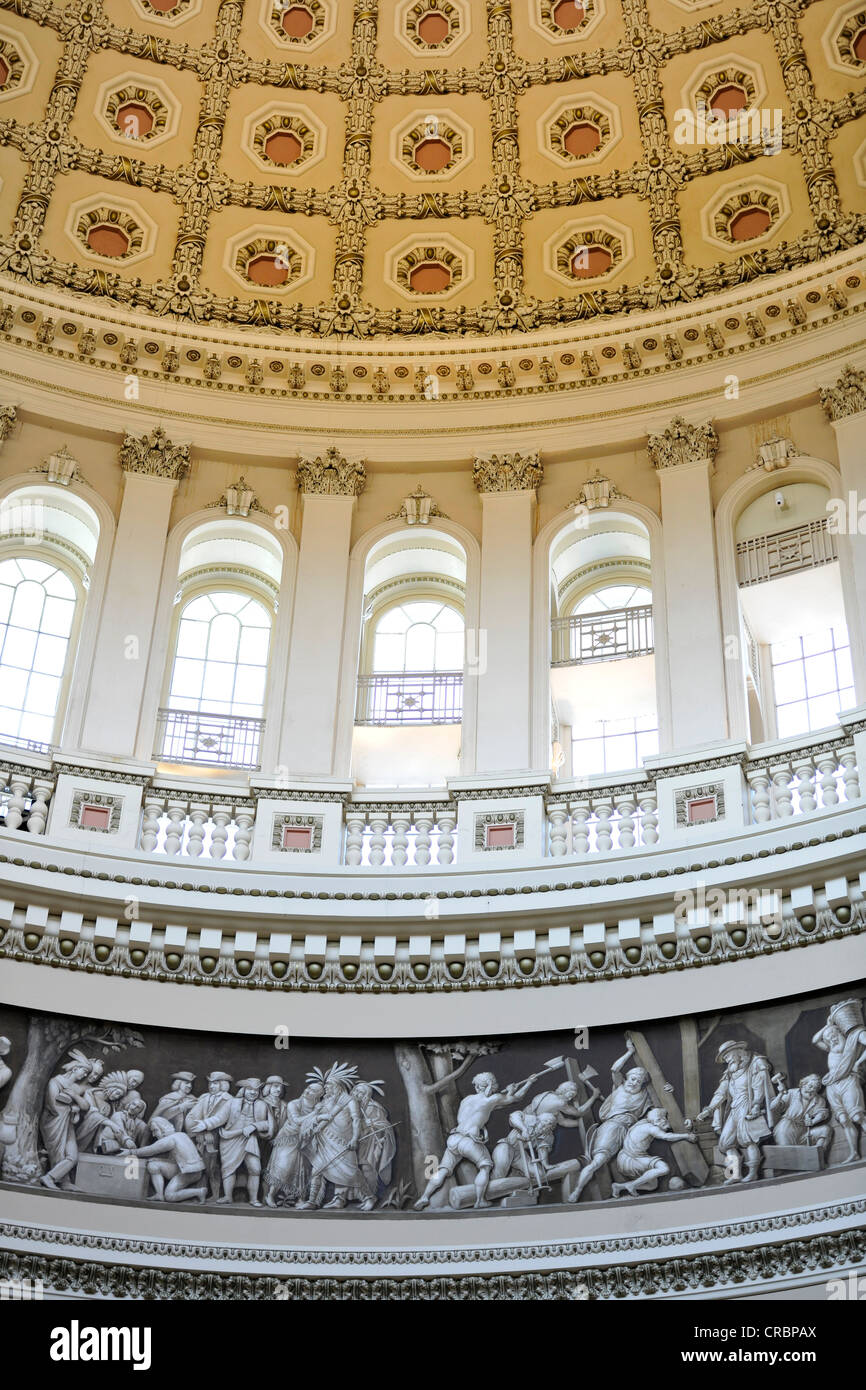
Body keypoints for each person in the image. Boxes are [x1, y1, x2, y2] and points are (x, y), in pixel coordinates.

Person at [415, 1069, 546, 1211]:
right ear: (491, 1085)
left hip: (454, 1139)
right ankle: (479, 1201)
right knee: (485, 1167)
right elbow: (516, 1098)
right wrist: (529, 1083)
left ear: (477, 1087)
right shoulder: (492, 1099)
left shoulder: (467, 1100)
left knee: (443, 1170)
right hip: (469, 1141)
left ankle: (425, 1197)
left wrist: (508, 1093)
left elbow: (487, 1108)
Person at [568, 1042, 651, 1203]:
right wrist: (629, 1052)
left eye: (639, 1081)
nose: (634, 1083)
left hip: (629, 1132)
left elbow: (657, 1109)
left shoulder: (645, 1095)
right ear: (627, 1078)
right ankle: (577, 1191)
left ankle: (628, 1186)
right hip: (612, 1128)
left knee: (630, 1163)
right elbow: (615, 1069)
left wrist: (669, 1089)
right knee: (597, 1162)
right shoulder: (618, 1086)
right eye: (633, 1078)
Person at [696, 1040, 775, 1183]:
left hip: (748, 1105)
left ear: (738, 1051)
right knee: (725, 1143)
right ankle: (735, 1174)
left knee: (748, 1140)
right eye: (725, 1058)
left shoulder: (756, 1063)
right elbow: (721, 1092)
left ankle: (753, 1173)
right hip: (735, 1108)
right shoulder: (731, 1071)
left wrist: (756, 1105)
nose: (727, 1060)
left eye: (727, 1056)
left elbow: (759, 1087)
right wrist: (709, 1109)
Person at [493, 1080, 600, 1180]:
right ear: (564, 1091)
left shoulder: (547, 1125)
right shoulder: (555, 1105)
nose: (571, 1099)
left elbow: (563, 1122)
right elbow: (578, 1112)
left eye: (573, 1096)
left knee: (539, 1175)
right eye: (570, 1094)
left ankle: (516, 1173)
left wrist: (581, 1124)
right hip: (508, 1146)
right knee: (499, 1175)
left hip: (520, 1154)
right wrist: (594, 1096)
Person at [304, 1070, 373, 1211]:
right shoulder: (326, 1100)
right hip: (325, 1140)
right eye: (326, 1085)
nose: (326, 1088)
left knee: (349, 1172)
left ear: (338, 1086)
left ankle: (369, 1197)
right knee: (317, 1170)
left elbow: (356, 1120)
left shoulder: (349, 1100)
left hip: (343, 1141)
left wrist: (354, 1138)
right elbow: (323, 1117)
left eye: (329, 1085)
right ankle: (313, 1201)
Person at [812, 1000, 866, 1163]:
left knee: (857, 1117)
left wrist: (857, 1063)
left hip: (848, 1081)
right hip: (832, 1086)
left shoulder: (853, 1040)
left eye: (834, 1035)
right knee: (844, 1120)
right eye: (828, 1038)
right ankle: (854, 1153)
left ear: (841, 1032)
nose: (831, 1039)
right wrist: (827, 1025)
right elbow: (815, 1040)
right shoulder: (830, 1047)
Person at [611, 1108, 699, 1197]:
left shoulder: (643, 1123)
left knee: (652, 1186)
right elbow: (666, 1136)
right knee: (664, 1168)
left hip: (627, 1157)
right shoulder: (651, 1128)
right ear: (660, 1120)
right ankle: (632, 1185)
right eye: (665, 1122)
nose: (666, 1127)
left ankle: (619, 1187)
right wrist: (687, 1136)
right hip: (631, 1159)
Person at [264, 1082, 323, 1208]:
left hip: (306, 1140)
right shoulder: (294, 1104)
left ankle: (301, 1198)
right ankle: (270, 1195)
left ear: (318, 1095)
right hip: (288, 1138)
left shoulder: (319, 1106)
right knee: (283, 1166)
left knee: (303, 1169)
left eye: (313, 1090)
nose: (308, 1090)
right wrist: (315, 1114)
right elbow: (296, 1121)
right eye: (308, 1087)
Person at [216, 1078, 274, 1206]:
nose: (253, 1093)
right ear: (244, 1090)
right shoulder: (232, 1103)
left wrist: (254, 1126)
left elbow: (267, 1124)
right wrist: (204, 1124)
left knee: (255, 1169)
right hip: (230, 1140)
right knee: (229, 1169)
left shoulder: (262, 1105)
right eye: (250, 1089)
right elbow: (218, 1119)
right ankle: (227, 1197)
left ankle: (253, 1199)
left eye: (256, 1090)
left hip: (250, 1140)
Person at [125, 1116, 207, 1203]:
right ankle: (159, 1195)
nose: (153, 1134)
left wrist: (130, 1152)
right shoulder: (181, 1135)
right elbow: (180, 1161)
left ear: (162, 1128)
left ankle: (199, 1192)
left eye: (155, 1130)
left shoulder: (170, 1139)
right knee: (153, 1165)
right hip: (187, 1170)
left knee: (169, 1196)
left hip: (190, 1173)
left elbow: (150, 1150)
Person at [39, 1057, 92, 1189]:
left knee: (73, 1156)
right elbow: (52, 1105)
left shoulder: (75, 1088)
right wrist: (71, 1107)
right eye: (84, 1071)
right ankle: (57, 1180)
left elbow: (86, 1106)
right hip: (53, 1122)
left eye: (86, 1073)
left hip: (67, 1122)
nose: (84, 1075)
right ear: (75, 1068)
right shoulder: (55, 1082)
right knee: (59, 1153)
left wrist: (74, 1098)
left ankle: (58, 1179)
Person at [185, 1071, 233, 1200]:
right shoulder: (204, 1097)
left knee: (214, 1167)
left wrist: (205, 1124)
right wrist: (191, 1125)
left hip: (218, 1137)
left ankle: (216, 1194)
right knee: (201, 1165)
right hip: (201, 1136)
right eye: (210, 1083)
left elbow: (221, 1118)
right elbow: (194, 1114)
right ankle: (200, 1192)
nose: (211, 1086)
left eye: (215, 1083)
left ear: (223, 1084)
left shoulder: (229, 1100)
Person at [769, 1073, 832, 1154]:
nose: (812, 1090)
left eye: (816, 1088)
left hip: (804, 1131)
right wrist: (780, 1093)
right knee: (789, 1154)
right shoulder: (791, 1093)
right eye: (810, 1086)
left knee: (826, 1130)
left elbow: (822, 1114)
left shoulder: (819, 1100)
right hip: (786, 1128)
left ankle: (817, 1157)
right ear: (804, 1084)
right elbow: (773, 1107)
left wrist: (813, 1121)